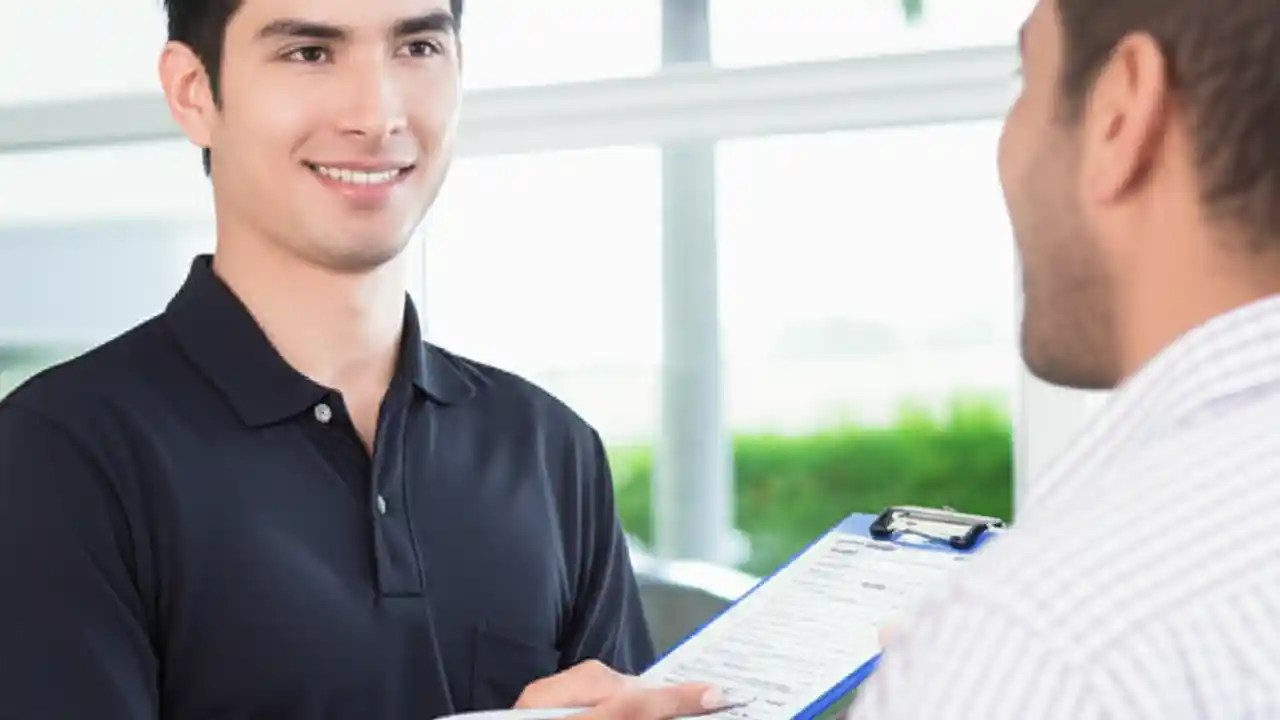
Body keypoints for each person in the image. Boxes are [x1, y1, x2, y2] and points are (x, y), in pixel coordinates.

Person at [521, 0, 1280, 716]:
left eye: (1027, 83)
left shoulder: (1045, 640)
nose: (1011, 144)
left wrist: (963, 669)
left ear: (1122, 113)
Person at [0, 1, 658, 717]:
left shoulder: (548, 446)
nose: (376, 115)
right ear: (195, 91)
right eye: (309, 53)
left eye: (417, 48)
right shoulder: (60, 451)